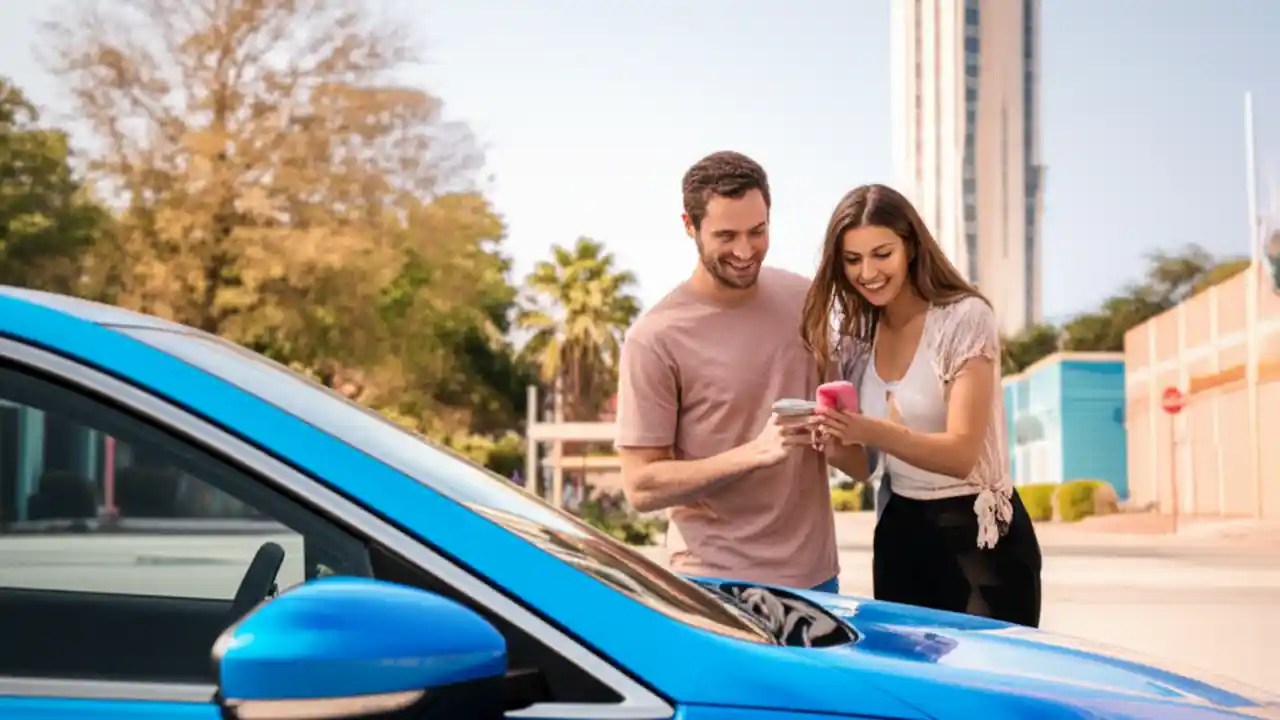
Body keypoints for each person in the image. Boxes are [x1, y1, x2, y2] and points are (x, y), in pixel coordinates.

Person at [796, 183, 1042, 627]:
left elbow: (962, 455)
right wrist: (833, 438)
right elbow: (865, 467)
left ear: (910, 245)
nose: (867, 272)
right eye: (852, 260)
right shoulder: (856, 340)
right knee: (913, 690)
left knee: (984, 688)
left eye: (881, 254)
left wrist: (871, 430)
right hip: (901, 533)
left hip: (980, 539)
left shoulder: (964, 318)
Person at [614, 150, 840, 592]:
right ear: (689, 226)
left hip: (817, 580)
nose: (744, 250)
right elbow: (641, 485)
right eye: (726, 235)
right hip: (713, 584)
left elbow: (841, 417)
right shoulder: (655, 337)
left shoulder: (804, 299)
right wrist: (752, 454)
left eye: (757, 231)